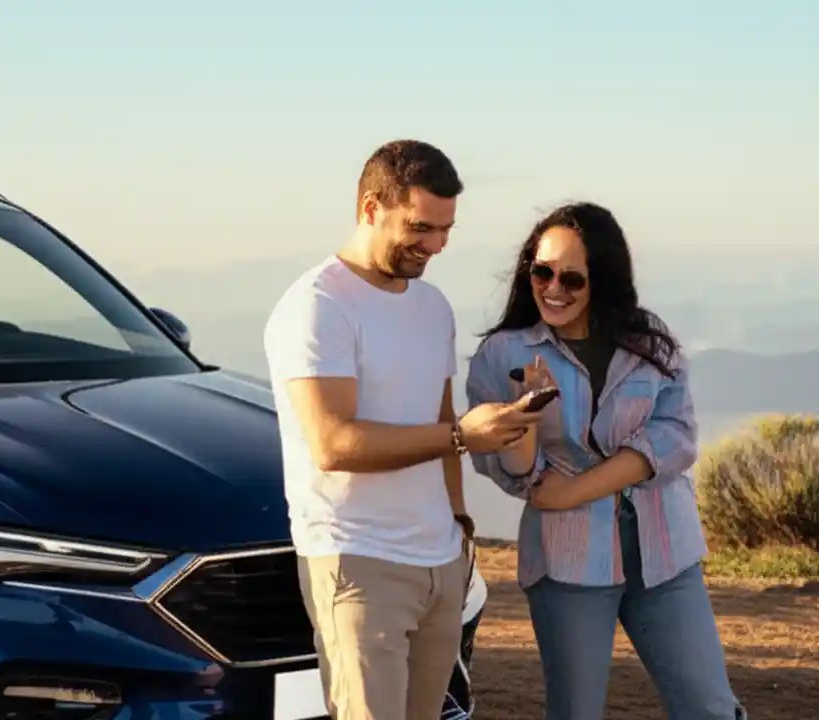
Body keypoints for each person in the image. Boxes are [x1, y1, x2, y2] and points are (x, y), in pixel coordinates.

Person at [264, 139, 542, 720]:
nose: (436, 245)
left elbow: (439, 420)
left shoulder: (432, 306)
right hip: (358, 561)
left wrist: (460, 527)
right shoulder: (317, 306)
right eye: (421, 227)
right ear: (370, 208)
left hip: (439, 560)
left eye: (446, 230)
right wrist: (465, 436)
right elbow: (334, 443)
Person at [465, 202, 746, 719]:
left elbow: (676, 436)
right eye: (542, 271)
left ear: (604, 280)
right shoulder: (502, 355)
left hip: (666, 552)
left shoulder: (647, 339)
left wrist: (575, 490)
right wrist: (524, 422)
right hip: (569, 562)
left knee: (709, 708)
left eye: (572, 278)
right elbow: (520, 477)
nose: (553, 288)